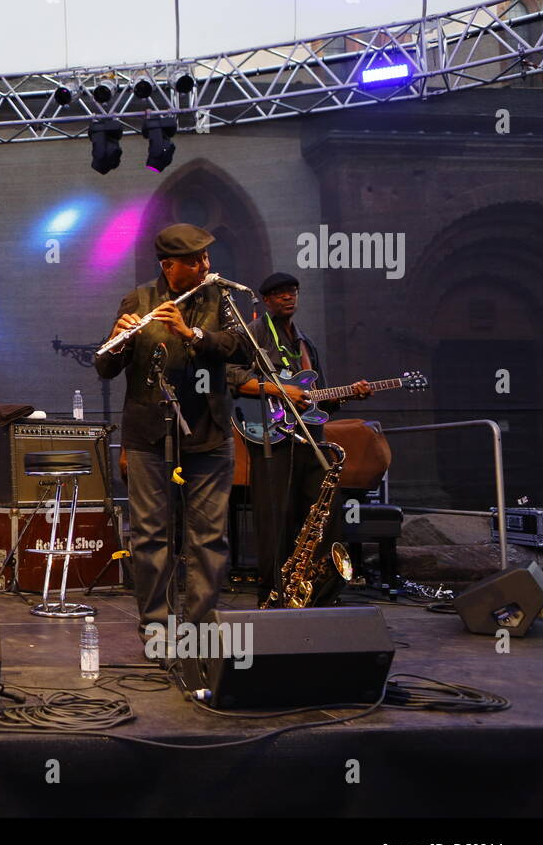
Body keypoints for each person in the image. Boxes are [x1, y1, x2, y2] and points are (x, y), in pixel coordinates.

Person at [95, 224, 248, 649]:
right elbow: (105, 369)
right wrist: (117, 342)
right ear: (169, 266)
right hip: (149, 434)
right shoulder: (138, 300)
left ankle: (199, 629)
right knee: (150, 536)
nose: (205, 265)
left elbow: (244, 350)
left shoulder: (223, 298)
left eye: (206, 257)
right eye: (195, 260)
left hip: (210, 432)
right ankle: (157, 628)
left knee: (209, 538)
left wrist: (192, 333)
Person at [227, 271, 370, 606]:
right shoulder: (254, 333)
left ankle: (320, 592)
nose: (288, 297)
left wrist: (350, 395)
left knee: (321, 517)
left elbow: (318, 401)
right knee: (275, 520)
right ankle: (273, 594)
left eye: (292, 292)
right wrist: (282, 390)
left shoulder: (306, 344)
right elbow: (232, 377)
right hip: (271, 438)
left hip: (310, 440)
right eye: (279, 293)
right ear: (266, 300)